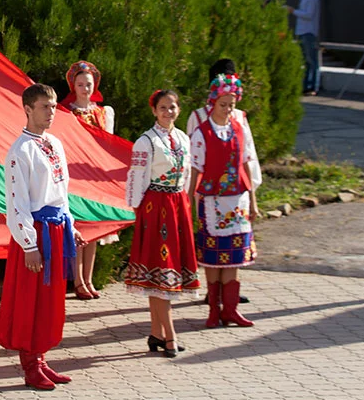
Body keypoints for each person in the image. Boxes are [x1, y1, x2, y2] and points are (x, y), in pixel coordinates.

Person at [0, 83, 85, 391]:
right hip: (35, 233)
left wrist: (71, 227)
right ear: (28, 109)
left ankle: (42, 358)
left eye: (54, 106)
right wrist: (29, 244)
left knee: (50, 298)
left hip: (56, 230)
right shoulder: (19, 151)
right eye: (45, 106)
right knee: (30, 299)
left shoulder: (56, 144)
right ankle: (29, 364)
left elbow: (62, 194)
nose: (51, 112)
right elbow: (16, 202)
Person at [124, 89, 200, 358]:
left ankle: (157, 333)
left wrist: (185, 204)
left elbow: (188, 173)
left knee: (164, 272)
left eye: (173, 107)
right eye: (163, 108)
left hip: (177, 205)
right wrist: (138, 211)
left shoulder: (182, 138)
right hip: (156, 208)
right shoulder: (146, 141)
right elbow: (136, 177)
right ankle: (170, 336)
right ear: (154, 111)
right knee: (162, 271)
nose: (169, 112)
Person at [189, 73, 261, 329]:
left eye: (232, 104)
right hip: (212, 203)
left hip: (238, 202)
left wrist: (252, 201)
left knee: (234, 257)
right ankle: (213, 310)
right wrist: (189, 200)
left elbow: (246, 165)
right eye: (223, 104)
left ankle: (230, 310)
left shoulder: (240, 129)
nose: (229, 109)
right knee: (213, 257)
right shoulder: (202, 132)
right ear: (213, 103)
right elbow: (195, 169)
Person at [63, 60, 117, 300]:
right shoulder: (67, 113)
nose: (85, 88)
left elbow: (110, 143)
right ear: (73, 86)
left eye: (88, 84)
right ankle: (78, 280)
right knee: (80, 228)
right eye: (81, 84)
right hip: (75, 175)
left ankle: (89, 279)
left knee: (94, 229)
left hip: (95, 174)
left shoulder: (103, 113)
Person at [286, 0, 321, 95]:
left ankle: (313, 86)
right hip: (302, 31)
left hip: (308, 31)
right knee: (305, 61)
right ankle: (306, 85)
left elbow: (309, 14)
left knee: (311, 60)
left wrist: (293, 11)